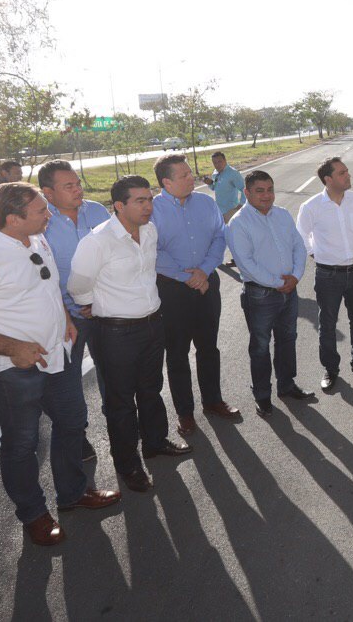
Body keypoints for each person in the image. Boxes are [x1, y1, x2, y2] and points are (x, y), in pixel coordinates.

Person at [0, 183, 120, 547]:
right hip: (12, 370)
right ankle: (34, 515)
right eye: (40, 211)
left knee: (71, 424)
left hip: (56, 356)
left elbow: (47, 286)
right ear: (12, 219)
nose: (49, 215)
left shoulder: (35, 238)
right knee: (22, 444)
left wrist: (64, 316)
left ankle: (72, 493)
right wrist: (13, 347)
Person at [68, 176, 189, 494]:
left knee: (151, 389)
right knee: (121, 401)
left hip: (152, 324)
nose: (148, 206)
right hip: (116, 332)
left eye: (149, 199)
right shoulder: (97, 241)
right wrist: (90, 305)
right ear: (118, 206)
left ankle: (155, 442)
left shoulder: (149, 231)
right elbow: (78, 285)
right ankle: (127, 463)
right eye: (140, 201)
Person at [151, 154, 239, 436]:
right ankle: (185, 413)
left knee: (208, 348)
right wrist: (188, 277)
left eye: (190, 173)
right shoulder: (151, 211)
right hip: (172, 289)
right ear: (166, 182)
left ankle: (213, 401)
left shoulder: (205, 203)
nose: (192, 178)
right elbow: (153, 251)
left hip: (206, 284)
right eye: (184, 175)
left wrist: (203, 271)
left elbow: (219, 236)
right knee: (177, 353)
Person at [39, 159, 110, 462]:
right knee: (67, 383)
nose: (78, 189)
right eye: (69, 186)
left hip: (108, 311)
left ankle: (119, 423)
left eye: (78, 183)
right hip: (68, 319)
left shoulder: (98, 211)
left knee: (114, 373)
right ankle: (76, 435)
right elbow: (42, 277)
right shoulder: (40, 223)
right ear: (48, 192)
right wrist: (69, 313)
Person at [227, 170, 312, 417]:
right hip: (260, 296)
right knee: (260, 347)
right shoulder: (239, 223)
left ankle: (287, 385)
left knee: (287, 340)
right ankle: (262, 395)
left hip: (289, 290)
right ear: (247, 193)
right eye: (259, 191)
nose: (267, 196)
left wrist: (295, 276)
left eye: (270, 190)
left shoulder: (283, 215)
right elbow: (246, 264)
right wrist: (278, 282)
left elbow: (298, 246)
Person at [296, 157, 353, 391]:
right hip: (328, 275)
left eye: (347, 171)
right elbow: (301, 237)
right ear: (328, 179)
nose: (348, 175)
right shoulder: (311, 206)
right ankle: (331, 369)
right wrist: (317, 254)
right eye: (342, 173)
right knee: (328, 323)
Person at [203, 151, 245, 224]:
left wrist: (241, 205)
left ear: (225, 160)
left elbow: (244, 189)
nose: (217, 165)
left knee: (232, 233)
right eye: (215, 163)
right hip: (219, 211)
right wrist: (210, 183)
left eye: (219, 161)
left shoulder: (233, 173)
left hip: (231, 210)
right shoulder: (215, 172)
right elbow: (215, 188)